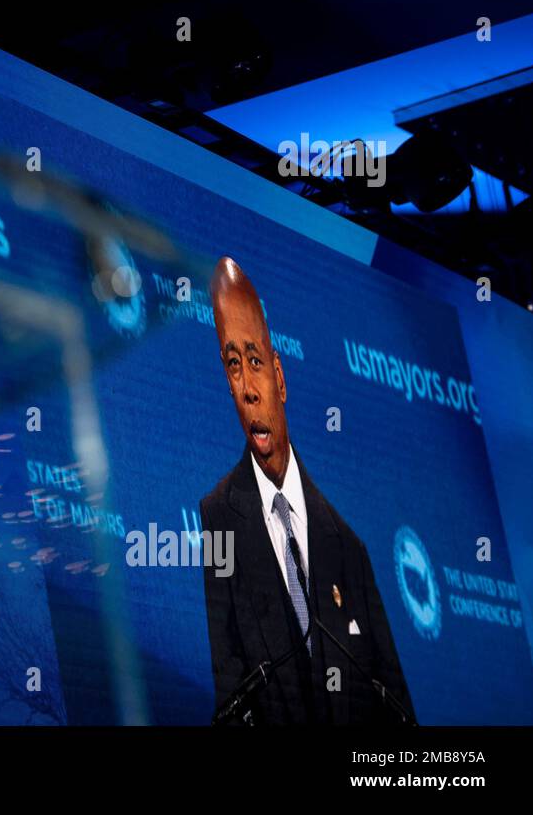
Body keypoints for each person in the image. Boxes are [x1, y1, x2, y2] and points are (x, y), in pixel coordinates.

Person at [199, 257, 414, 724]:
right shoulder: (218, 519)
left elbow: (395, 704)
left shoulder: (349, 549)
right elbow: (229, 691)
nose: (247, 389)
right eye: (233, 366)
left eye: (255, 362)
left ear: (280, 376)